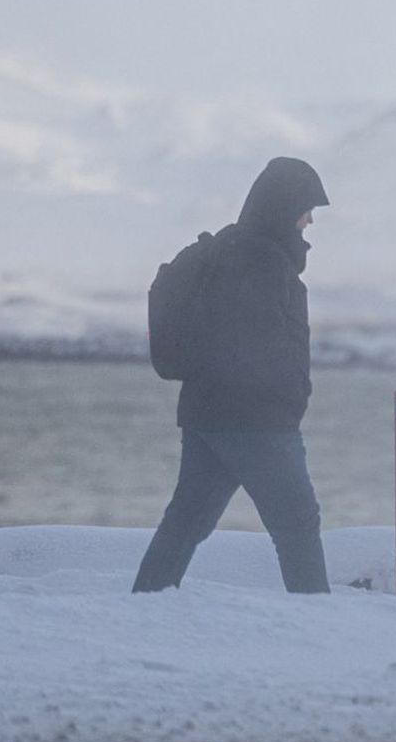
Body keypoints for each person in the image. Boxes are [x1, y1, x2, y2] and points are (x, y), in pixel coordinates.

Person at [132, 157, 331, 594]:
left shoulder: (231, 247)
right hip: (255, 421)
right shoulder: (260, 259)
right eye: (306, 208)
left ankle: (145, 603)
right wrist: (286, 402)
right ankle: (319, 617)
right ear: (284, 207)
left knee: (187, 520)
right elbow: (255, 343)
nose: (310, 219)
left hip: (208, 415)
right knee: (298, 523)